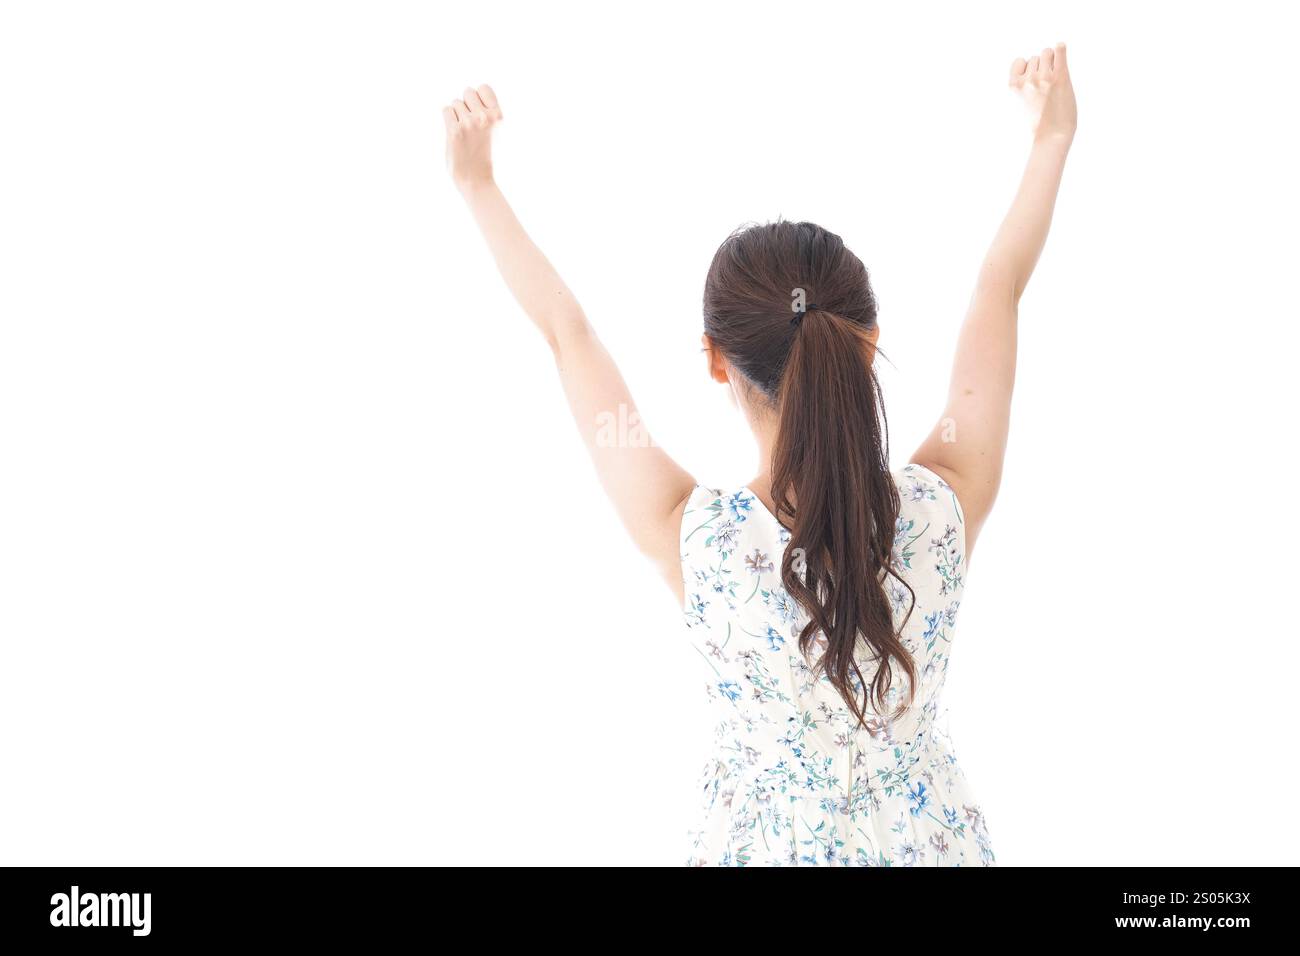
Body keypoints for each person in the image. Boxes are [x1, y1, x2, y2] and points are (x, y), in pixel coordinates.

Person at [441, 43, 1076, 866]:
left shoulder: (693, 537)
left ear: (715, 360)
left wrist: (477, 184)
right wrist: (1051, 138)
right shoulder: (943, 501)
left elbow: (571, 338)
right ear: (869, 342)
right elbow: (1000, 287)